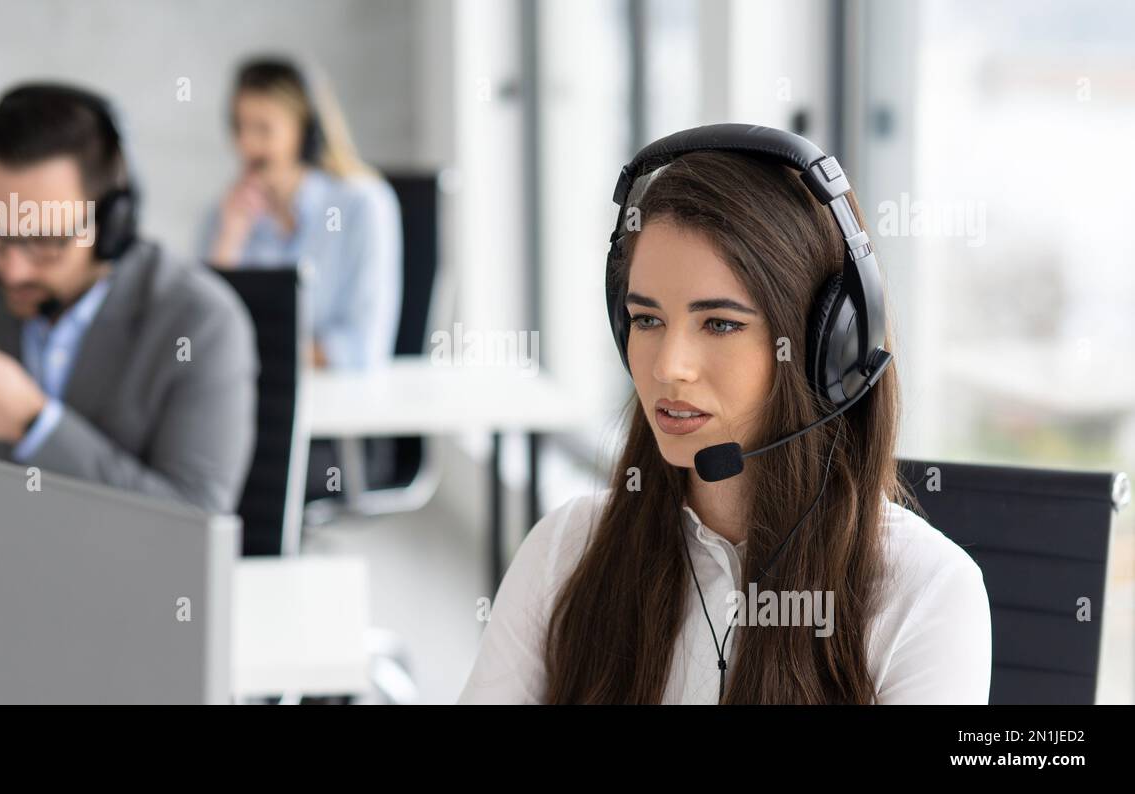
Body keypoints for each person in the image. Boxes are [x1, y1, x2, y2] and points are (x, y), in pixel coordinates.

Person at [458, 125, 992, 704]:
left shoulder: (923, 591)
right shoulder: (566, 550)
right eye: (646, 319)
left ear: (826, 349)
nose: (669, 367)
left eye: (720, 324)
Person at [0, 83, 258, 515]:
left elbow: (196, 522)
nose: (12, 269)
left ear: (112, 224)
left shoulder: (201, 323)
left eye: (45, 242)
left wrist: (36, 426)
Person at [200, 56, 403, 500]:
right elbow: (199, 327)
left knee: (223, 481)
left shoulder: (361, 206)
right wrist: (229, 237)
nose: (247, 145)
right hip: (246, 413)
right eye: (240, 127)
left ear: (304, 131)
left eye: (264, 128)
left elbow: (361, 346)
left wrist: (254, 355)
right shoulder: (229, 212)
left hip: (335, 437)